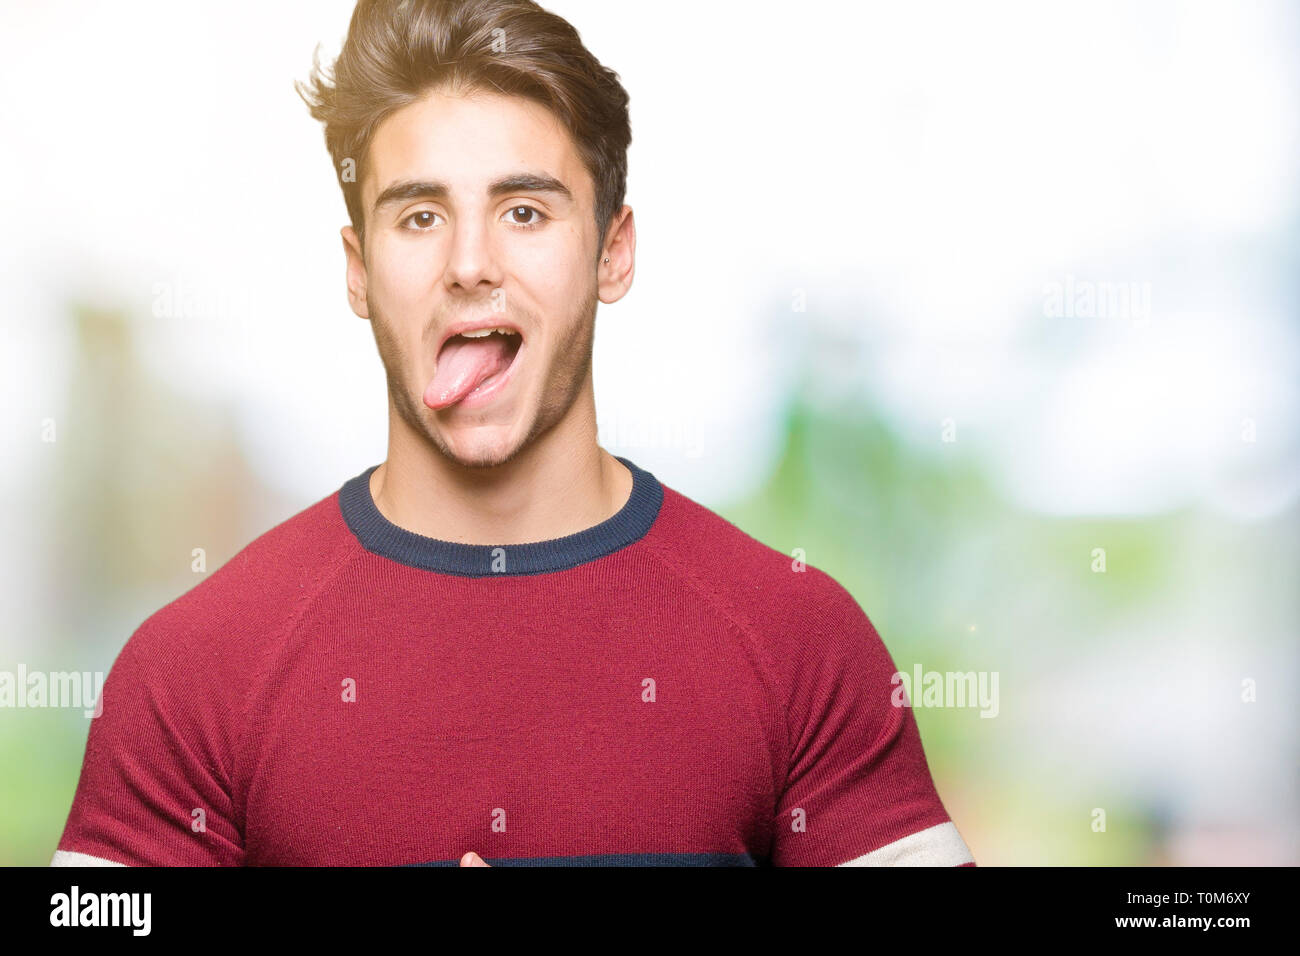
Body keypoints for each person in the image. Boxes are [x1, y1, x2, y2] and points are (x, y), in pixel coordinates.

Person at [51, 0, 974, 867]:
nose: (469, 264)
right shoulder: (190, 675)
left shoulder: (800, 645)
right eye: (419, 215)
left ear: (613, 253)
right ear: (359, 270)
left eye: (524, 211)